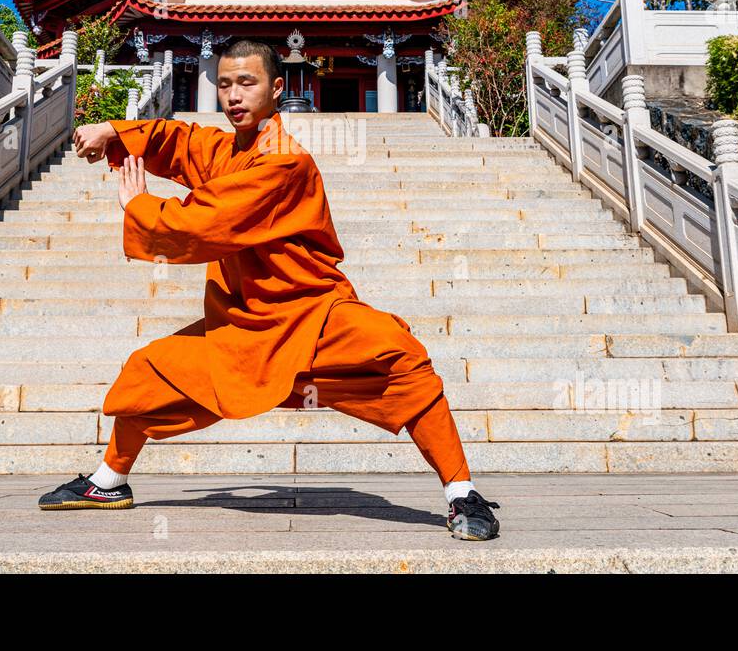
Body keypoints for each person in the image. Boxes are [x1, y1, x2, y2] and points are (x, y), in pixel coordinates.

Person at [37, 39, 500, 540]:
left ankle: (460, 493)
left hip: (312, 313)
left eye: (248, 83)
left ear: (277, 89)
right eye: (225, 84)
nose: (233, 95)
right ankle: (108, 482)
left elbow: (207, 222)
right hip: (244, 321)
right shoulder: (227, 150)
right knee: (150, 370)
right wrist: (117, 132)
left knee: (402, 356)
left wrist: (139, 208)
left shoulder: (284, 162)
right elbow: (181, 140)